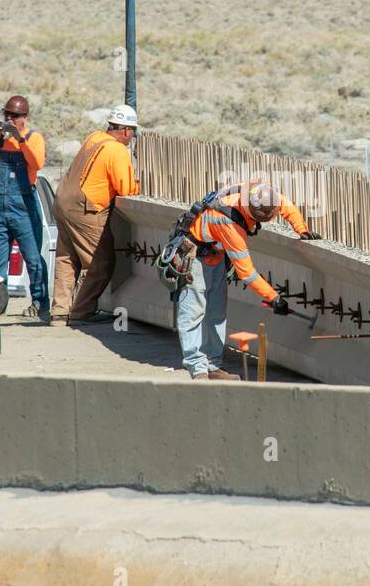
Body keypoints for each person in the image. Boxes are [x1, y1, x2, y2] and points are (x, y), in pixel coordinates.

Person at [173, 180, 319, 381]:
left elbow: (285, 205)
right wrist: (274, 298)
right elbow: (247, 273)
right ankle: (198, 369)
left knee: (216, 311)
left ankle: (213, 366)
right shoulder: (229, 222)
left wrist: (301, 229)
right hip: (195, 256)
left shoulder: (259, 193)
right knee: (193, 311)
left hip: (214, 254)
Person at [52, 104, 141, 325]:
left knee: (66, 258)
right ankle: (81, 311)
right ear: (126, 131)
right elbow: (126, 189)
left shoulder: (94, 137)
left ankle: (59, 312)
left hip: (63, 202)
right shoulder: (117, 150)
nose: (131, 137)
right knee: (99, 263)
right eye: (132, 133)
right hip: (87, 208)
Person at [0, 94, 49, 322]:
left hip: (23, 205)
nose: (9, 118)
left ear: (24, 117)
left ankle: (40, 303)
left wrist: (20, 139)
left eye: (14, 116)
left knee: (33, 258)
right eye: (7, 114)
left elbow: (37, 164)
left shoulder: (34, 138)